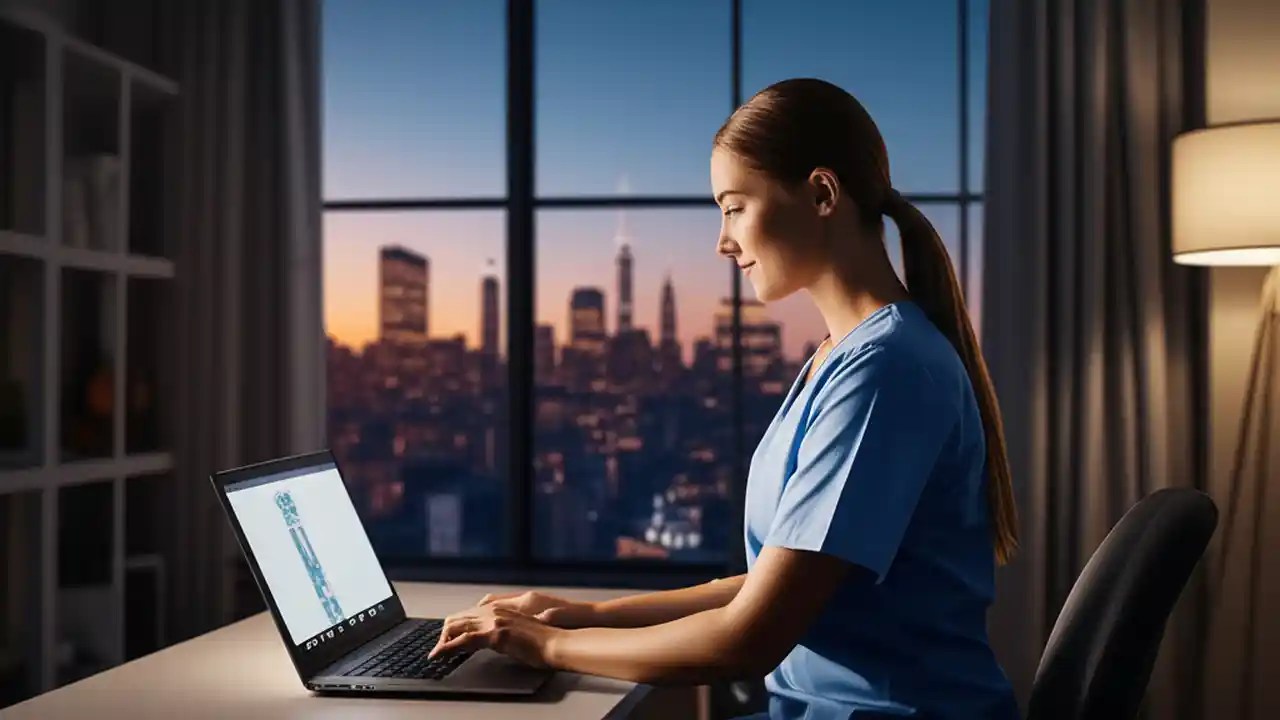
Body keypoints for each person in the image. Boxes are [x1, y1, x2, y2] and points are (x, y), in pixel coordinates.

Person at [429, 78, 1021, 719]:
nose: (722, 240)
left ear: (822, 194)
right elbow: (778, 587)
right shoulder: (844, 356)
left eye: (734, 206)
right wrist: (580, 614)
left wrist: (548, 646)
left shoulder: (886, 370)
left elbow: (750, 638)